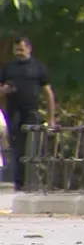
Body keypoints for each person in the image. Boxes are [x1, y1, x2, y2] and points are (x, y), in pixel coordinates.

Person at [0, 37, 56, 191]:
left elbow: (48, 93)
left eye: (21, 49)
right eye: (16, 50)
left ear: (29, 49)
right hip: (13, 112)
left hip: (31, 111)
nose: (19, 53)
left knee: (30, 145)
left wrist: (51, 118)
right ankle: (19, 182)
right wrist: (4, 91)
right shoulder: (8, 68)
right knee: (16, 146)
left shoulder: (38, 68)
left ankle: (32, 180)